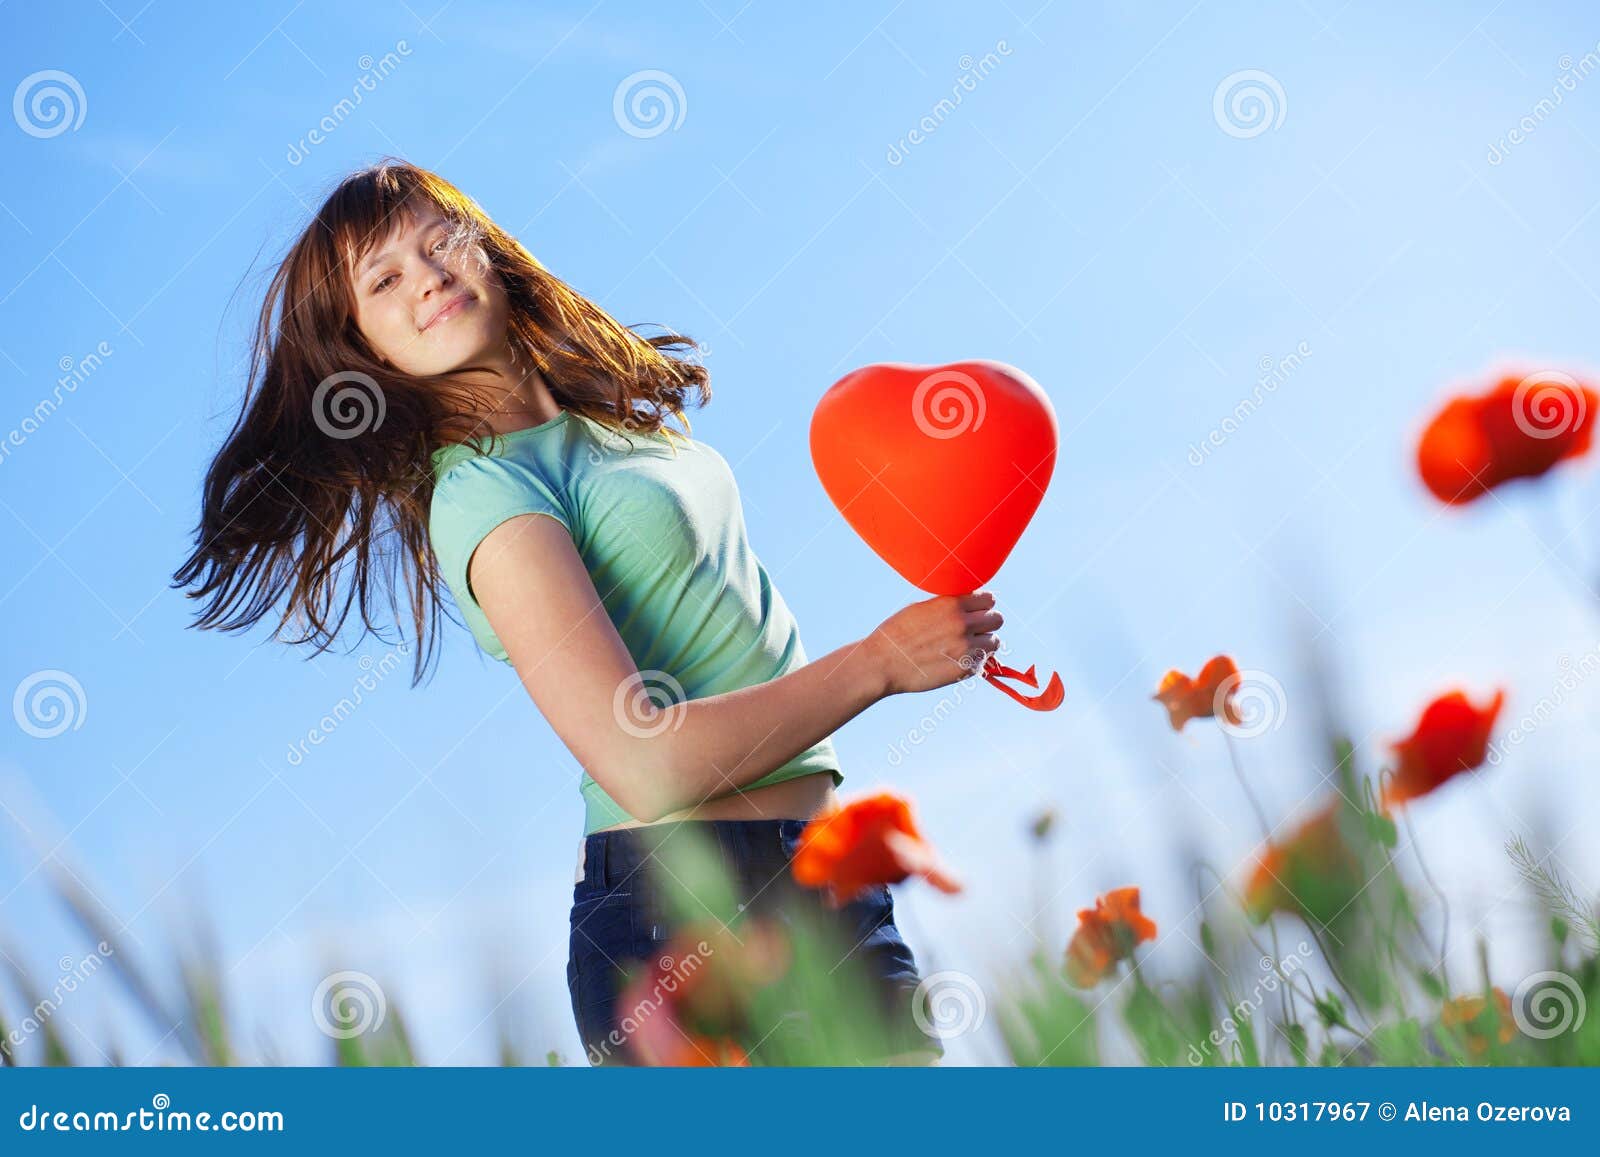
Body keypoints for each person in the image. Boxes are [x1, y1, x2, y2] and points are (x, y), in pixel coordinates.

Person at [172, 159, 1003, 1065]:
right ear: (365, 349)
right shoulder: (486, 493)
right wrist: (879, 662)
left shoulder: (607, 431)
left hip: (823, 870)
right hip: (683, 901)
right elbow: (641, 762)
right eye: (385, 279)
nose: (430, 277)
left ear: (489, 251)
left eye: (440, 241)